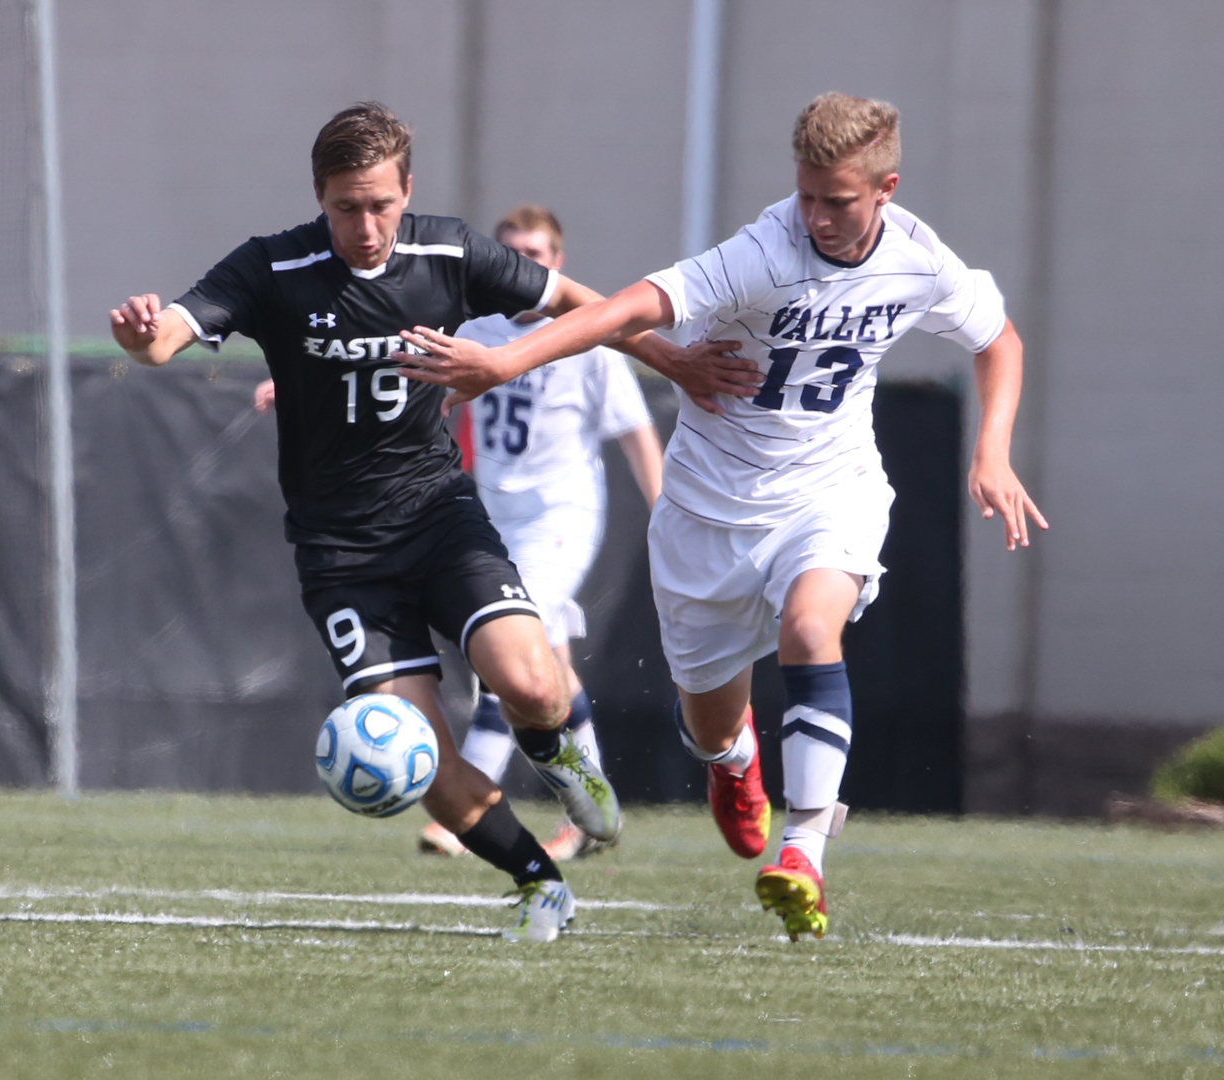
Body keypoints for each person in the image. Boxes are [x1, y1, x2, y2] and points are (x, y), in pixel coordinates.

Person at [395, 92, 1047, 941]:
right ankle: (732, 757)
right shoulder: (764, 252)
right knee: (708, 721)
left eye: (838, 201)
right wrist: (504, 361)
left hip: (831, 490)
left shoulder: (921, 261)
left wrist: (992, 451)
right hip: (709, 508)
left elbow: (1000, 341)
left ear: (886, 189)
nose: (815, 217)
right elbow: (622, 309)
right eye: (805, 195)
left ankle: (803, 851)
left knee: (811, 630)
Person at [109, 103, 726, 942]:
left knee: (533, 684)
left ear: (408, 190)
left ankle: (567, 766)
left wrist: (674, 361)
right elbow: (163, 341)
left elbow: (575, 301)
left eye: (380, 206)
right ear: (319, 198)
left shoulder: (450, 253)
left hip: (439, 518)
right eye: (345, 208)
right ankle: (539, 882)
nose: (365, 228)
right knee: (419, 750)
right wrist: (140, 334)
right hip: (341, 557)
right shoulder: (272, 266)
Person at [414, 205, 664, 862]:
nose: (523, 266)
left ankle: (466, 807)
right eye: (511, 254)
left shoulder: (587, 336)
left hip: (560, 518)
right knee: (548, 665)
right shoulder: (475, 328)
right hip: (491, 517)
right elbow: (406, 377)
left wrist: (668, 515)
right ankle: (592, 811)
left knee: (508, 654)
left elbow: (636, 432)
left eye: (536, 255)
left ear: (558, 264)